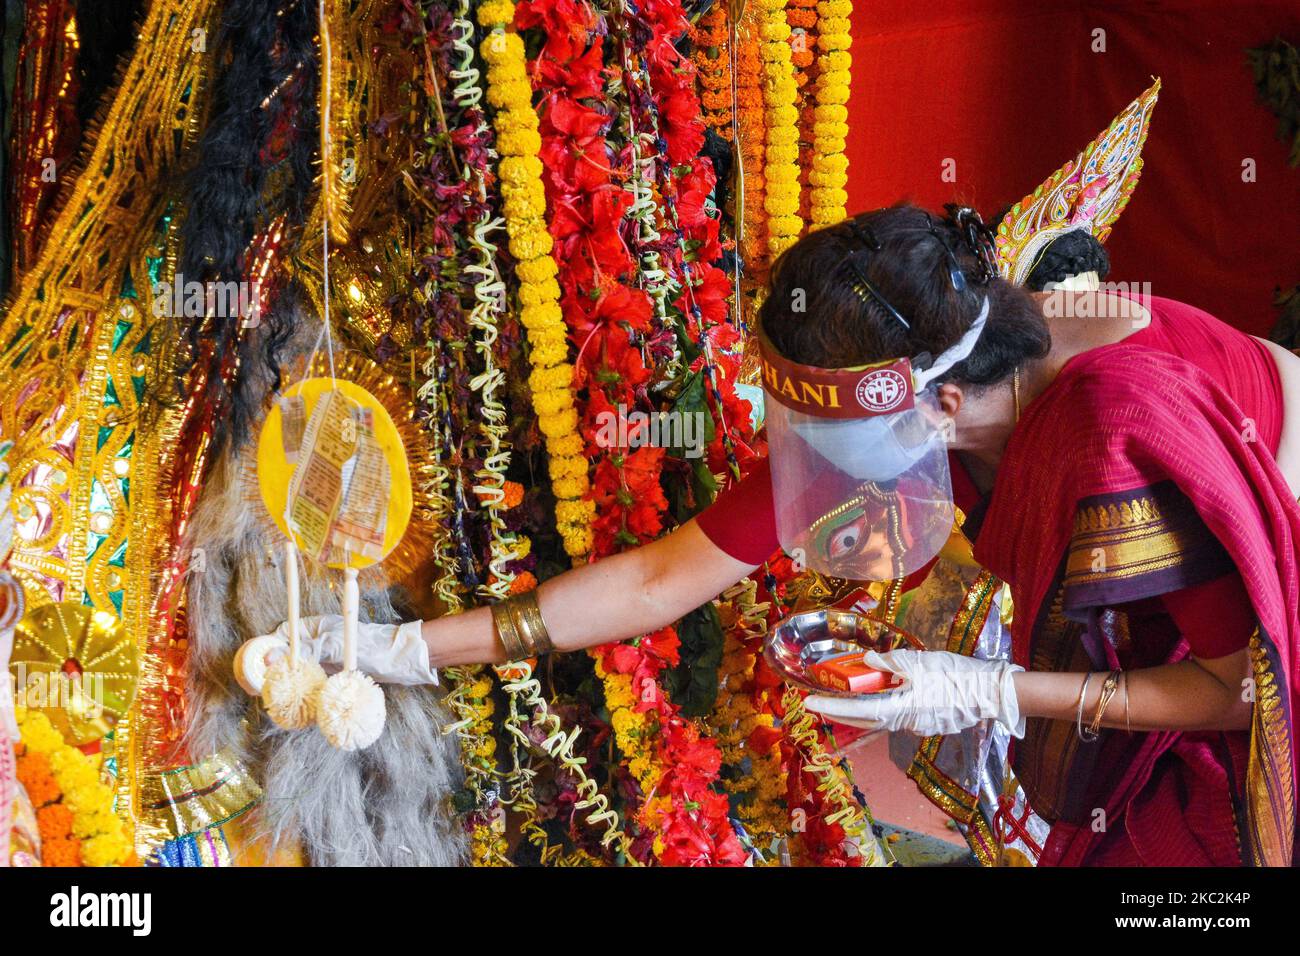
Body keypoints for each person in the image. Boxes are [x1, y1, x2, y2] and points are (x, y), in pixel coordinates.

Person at [243, 204, 1300, 866]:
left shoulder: (1114, 427)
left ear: (932, 409)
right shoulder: (932, 359)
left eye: (833, 433)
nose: (813, 459)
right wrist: (404, 647)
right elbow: (661, 578)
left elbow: (1244, 686)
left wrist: (981, 689)